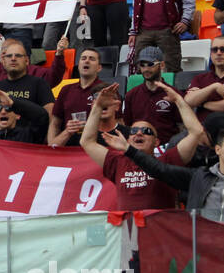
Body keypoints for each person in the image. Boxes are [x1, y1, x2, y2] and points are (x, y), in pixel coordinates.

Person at [82, 82, 206, 210]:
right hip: (127, 228)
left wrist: (179, 100)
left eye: (146, 131)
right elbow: (87, 141)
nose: (139, 133)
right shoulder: (117, 163)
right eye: (133, 131)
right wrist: (97, 106)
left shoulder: (167, 161)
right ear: (128, 140)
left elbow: (196, 132)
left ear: (156, 142)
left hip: (159, 227)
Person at [48, 48, 110, 147]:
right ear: (78, 65)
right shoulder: (66, 90)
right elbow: (55, 123)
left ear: (99, 68)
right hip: (69, 147)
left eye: (92, 59)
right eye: (83, 58)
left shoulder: (106, 90)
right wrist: (51, 146)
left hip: (97, 147)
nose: (87, 61)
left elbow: (117, 123)